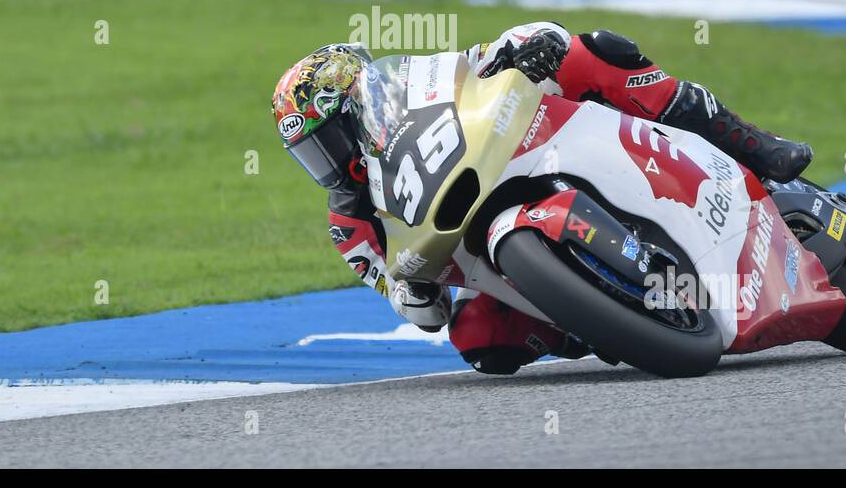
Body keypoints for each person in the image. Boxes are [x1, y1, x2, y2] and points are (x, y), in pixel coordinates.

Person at [271, 22, 813, 375]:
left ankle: (750, 142)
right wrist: (409, 296)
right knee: (478, 342)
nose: (325, 163)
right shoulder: (350, 227)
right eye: (309, 155)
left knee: (593, 52)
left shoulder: (413, 89)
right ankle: (590, 313)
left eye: (327, 141)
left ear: (355, 110)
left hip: (525, 146)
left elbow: (483, 58)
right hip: (489, 255)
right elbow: (421, 309)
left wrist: (525, 48)